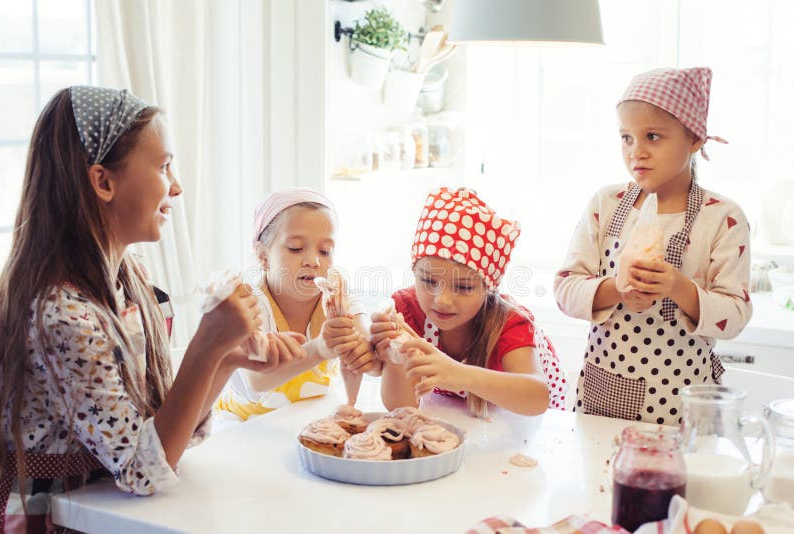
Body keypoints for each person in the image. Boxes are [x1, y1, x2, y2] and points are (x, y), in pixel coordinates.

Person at [0, 86, 298, 531]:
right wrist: (204, 345)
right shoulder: (61, 313)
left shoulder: (126, 281)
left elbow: (161, 439)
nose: (176, 185)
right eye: (163, 165)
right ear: (103, 182)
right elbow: (142, 468)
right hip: (60, 518)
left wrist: (224, 358)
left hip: (108, 507)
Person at [554, 67, 752, 425]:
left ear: (694, 139)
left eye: (652, 136)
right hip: (602, 405)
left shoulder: (723, 218)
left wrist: (677, 287)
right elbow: (565, 290)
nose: (636, 153)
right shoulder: (606, 204)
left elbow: (735, 316)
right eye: (626, 138)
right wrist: (616, 289)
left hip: (682, 410)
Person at [370, 187, 565, 418]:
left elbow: (537, 398)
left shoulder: (508, 321)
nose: (442, 300)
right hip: (460, 418)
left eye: (463, 287)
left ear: (488, 288)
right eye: (428, 281)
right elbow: (401, 406)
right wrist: (395, 359)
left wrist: (460, 374)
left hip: (518, 420)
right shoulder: (408, 310)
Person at [216, 189, 378, 420]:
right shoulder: (246, 304)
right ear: (263, 257)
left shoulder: (338, 300)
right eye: (295, 248)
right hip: (243, 426)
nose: (313, 261)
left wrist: (376, 350)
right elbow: (257, 380)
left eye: (325, 251)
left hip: (307, 420)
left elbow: (373, 363)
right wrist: (320, 349)